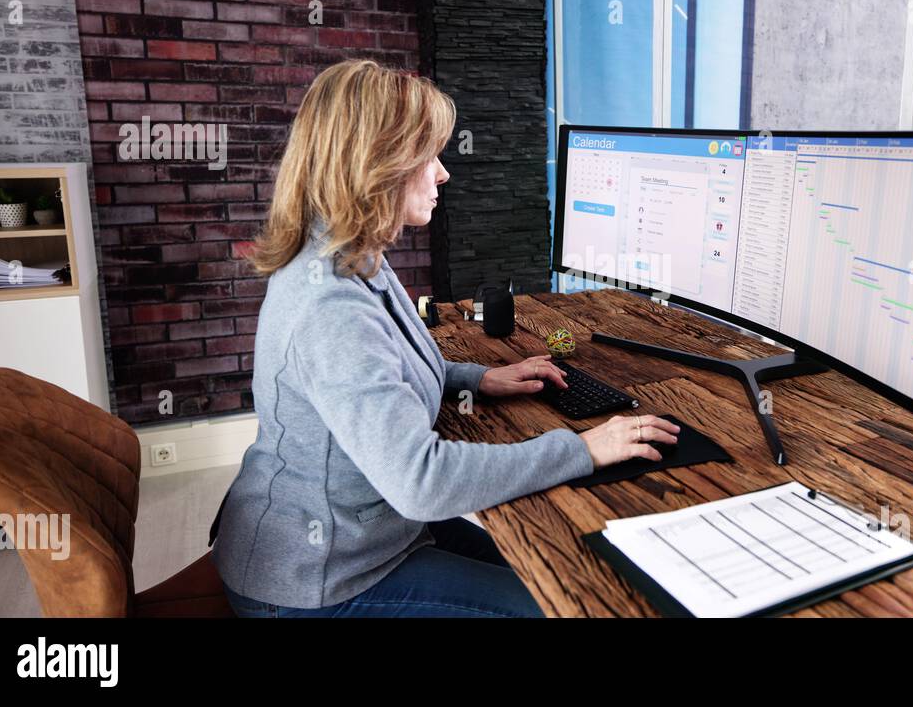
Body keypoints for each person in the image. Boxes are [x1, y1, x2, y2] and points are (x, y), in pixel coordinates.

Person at [211, 59, 680, 617]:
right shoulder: (329, 304)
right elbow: (422, 481)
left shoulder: (352, 254)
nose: (443, 174)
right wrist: (581, 448)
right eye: (428, 156)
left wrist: (478, 378)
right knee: (565, 605)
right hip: (319, 578)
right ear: (377, 164)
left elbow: (390, 363)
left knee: (576, 565)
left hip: (375, 534)